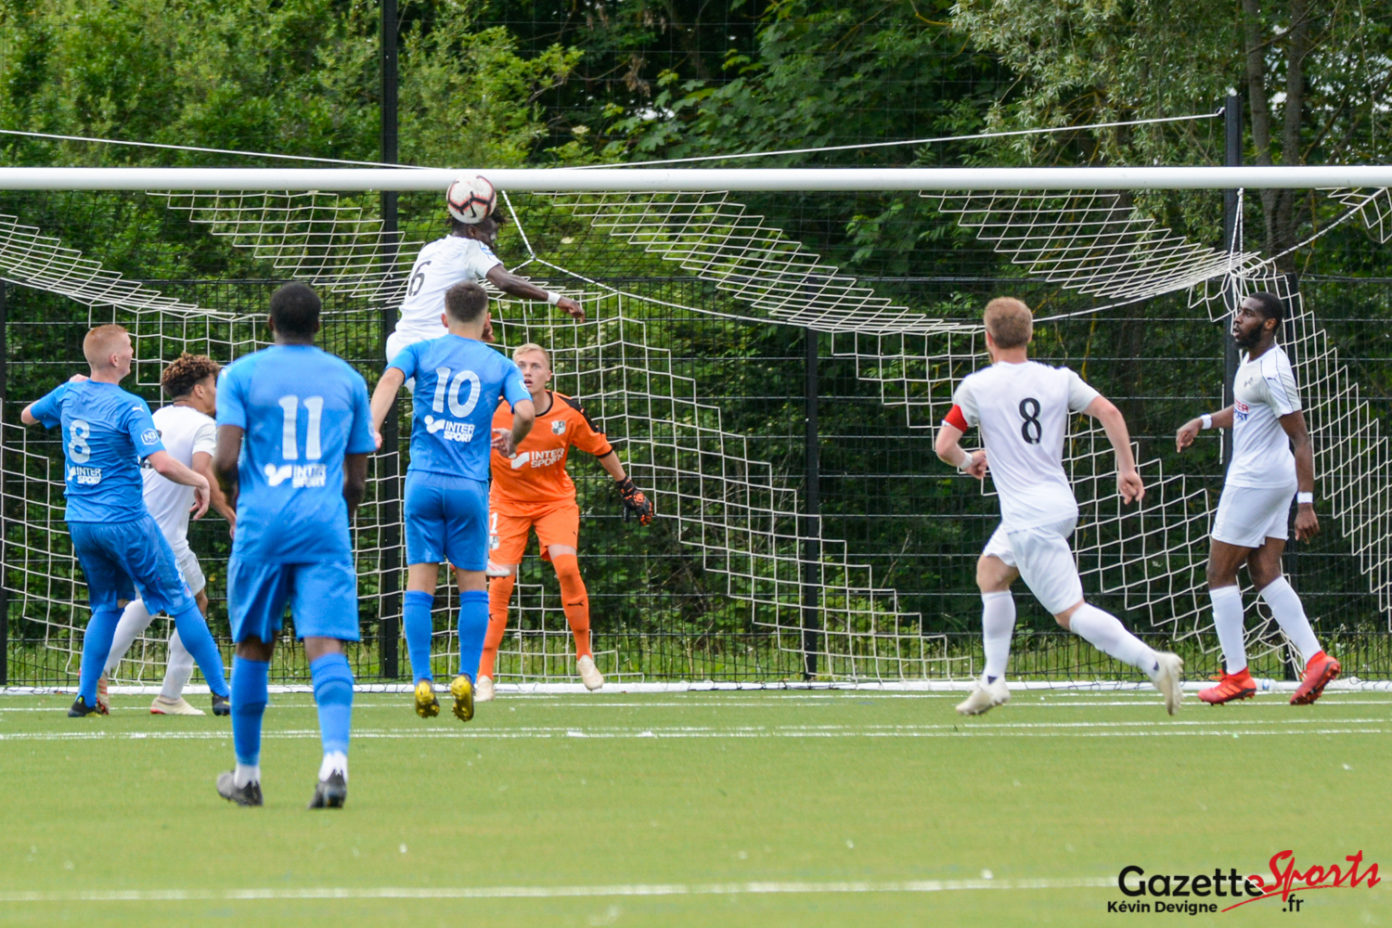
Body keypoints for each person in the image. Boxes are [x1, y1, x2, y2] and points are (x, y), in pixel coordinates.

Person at [935, 297, 1183, 717]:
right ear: (1030, 336)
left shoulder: (976, 386)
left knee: (1070, 613)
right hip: (1056, 505)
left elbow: (943, 446)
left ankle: (1155, 664)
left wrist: (967, 461)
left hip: (1029, 518)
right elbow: (1109, 411)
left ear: (987, 339)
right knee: (991, 574)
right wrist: (1126, 468)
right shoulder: (1059, 379)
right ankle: (993, 681)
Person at [213, 282, 375, 809]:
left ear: (269, 324)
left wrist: (240, 495)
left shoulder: (242, 373)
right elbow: (357, 482)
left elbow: (225, 458)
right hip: (324, 526)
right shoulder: (349, 380)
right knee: (325, 642)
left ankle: (247, 776)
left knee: (253, 644)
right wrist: (336, 515)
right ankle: (334, 765)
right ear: (319, 326)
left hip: (263, 523)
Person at [20, 325, 231, 718]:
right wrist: (201, 480)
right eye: (130, 349)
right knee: (184, 602)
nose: (134, 353)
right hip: (126, 521)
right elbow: (163, 463)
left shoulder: (69, 393)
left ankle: (85, 696)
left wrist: (68, 386)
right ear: (116, 359)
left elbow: (27, 415)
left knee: (108, 606)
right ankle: (221, 693)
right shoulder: (130, 405)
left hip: (81, 521)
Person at [369, 281, 535, 722]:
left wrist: (371, 426)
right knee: (473, 587)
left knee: (420, 583)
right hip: (469, 487)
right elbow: (526, 413)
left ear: (444, 318)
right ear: (486, 323)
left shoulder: (421, 350)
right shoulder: (499, 363)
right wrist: (511, 442)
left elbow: (389, 378)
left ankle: (422, 678)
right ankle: (464, 673)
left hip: (423, 481)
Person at [1175, 291, 1339, 705]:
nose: (1237, 318)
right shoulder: (1252, 363)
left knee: (1218, 572)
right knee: (1265, 571)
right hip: (1268, 478)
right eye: (1239, 311)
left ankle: (1236, 675)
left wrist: (1306, 504)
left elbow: (1301, 437)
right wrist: (1206, 421)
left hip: (1256, 481)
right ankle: (1316, 658)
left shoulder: (1273, 370)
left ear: (1269, 324)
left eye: (1247, 314)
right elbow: (1247, 410)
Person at [478, 343, 654, 701]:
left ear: (549, 375)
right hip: (506, 504)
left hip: (554, 502)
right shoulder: (490, 409)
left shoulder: (568, 412)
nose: (527, 372)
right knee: (499, 584)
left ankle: (585, 656)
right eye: (521, 365)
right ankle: (484, 675)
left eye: (535, 366)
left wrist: (627, 487)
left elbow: (601, 447)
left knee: (568, 567)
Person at [98, 353, 238, 716]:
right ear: (199, 390)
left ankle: (99, 672)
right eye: (214, 387)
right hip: (164, 535)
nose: (218, 394)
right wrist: (231, 515)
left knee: (147, 599)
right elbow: (203, 472)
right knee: (197, 601)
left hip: (132, 525)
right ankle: (170, 695)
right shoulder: (202, 425)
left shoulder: (156, 416)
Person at [386, 176, 584, 363]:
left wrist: (476, 325)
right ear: (473, 231)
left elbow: (437, 299)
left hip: (400, 346)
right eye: (491, 237)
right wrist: (557, 299)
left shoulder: (431, 248)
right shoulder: (470, 248)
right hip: (430, 349)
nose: (492, 244)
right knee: (496, 380)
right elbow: (505, 281)